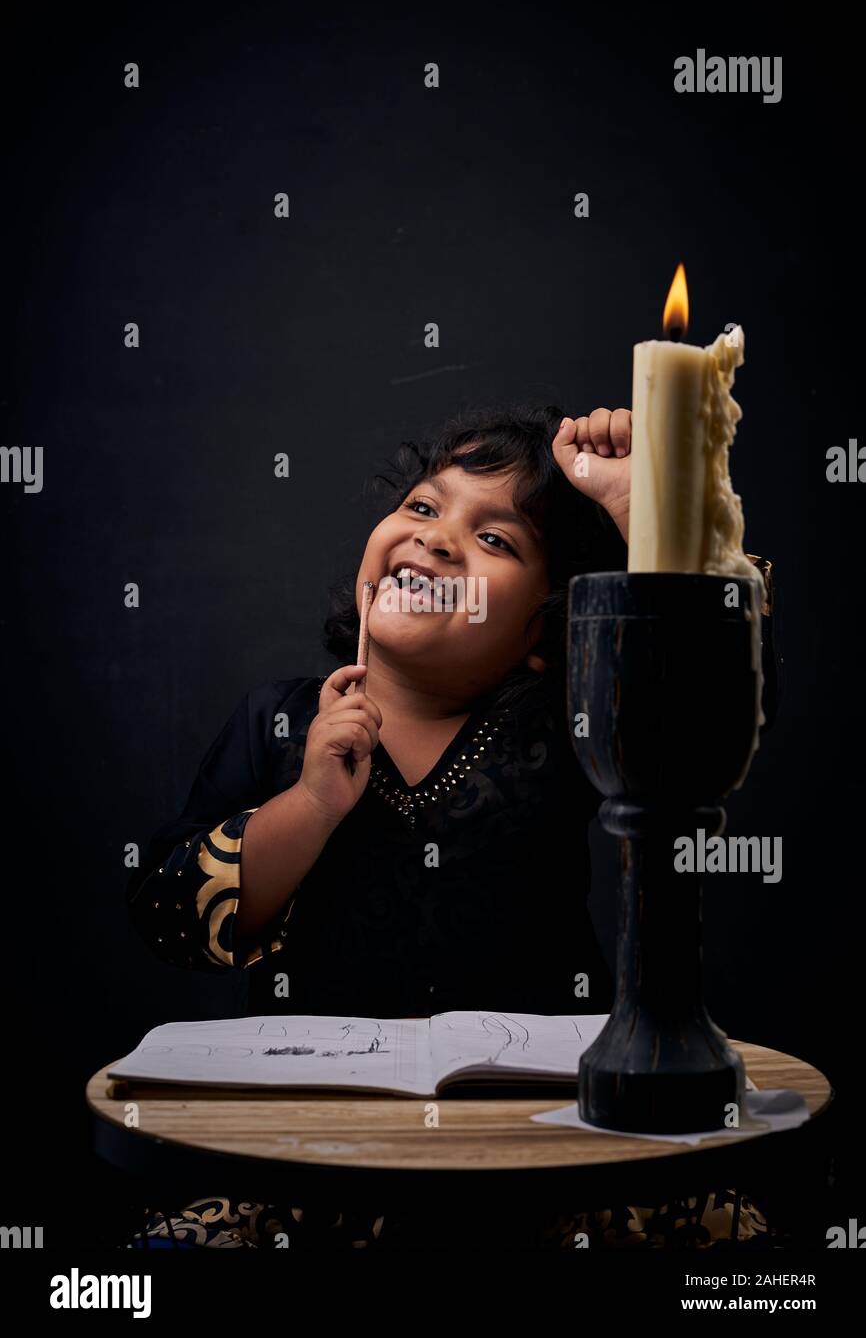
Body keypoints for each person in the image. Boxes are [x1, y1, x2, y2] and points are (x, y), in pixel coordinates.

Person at [125, 404, 776, 1250]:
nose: (436, 540)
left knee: (748, 1263)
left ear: (548, 635)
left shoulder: (570, 722)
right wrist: (310, 805)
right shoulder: (279, 724)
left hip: (549, 1159)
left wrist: (639, 513)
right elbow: (169, 919)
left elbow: (711, 706)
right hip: (313, 1166)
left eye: (496, 540)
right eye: (423, 508)